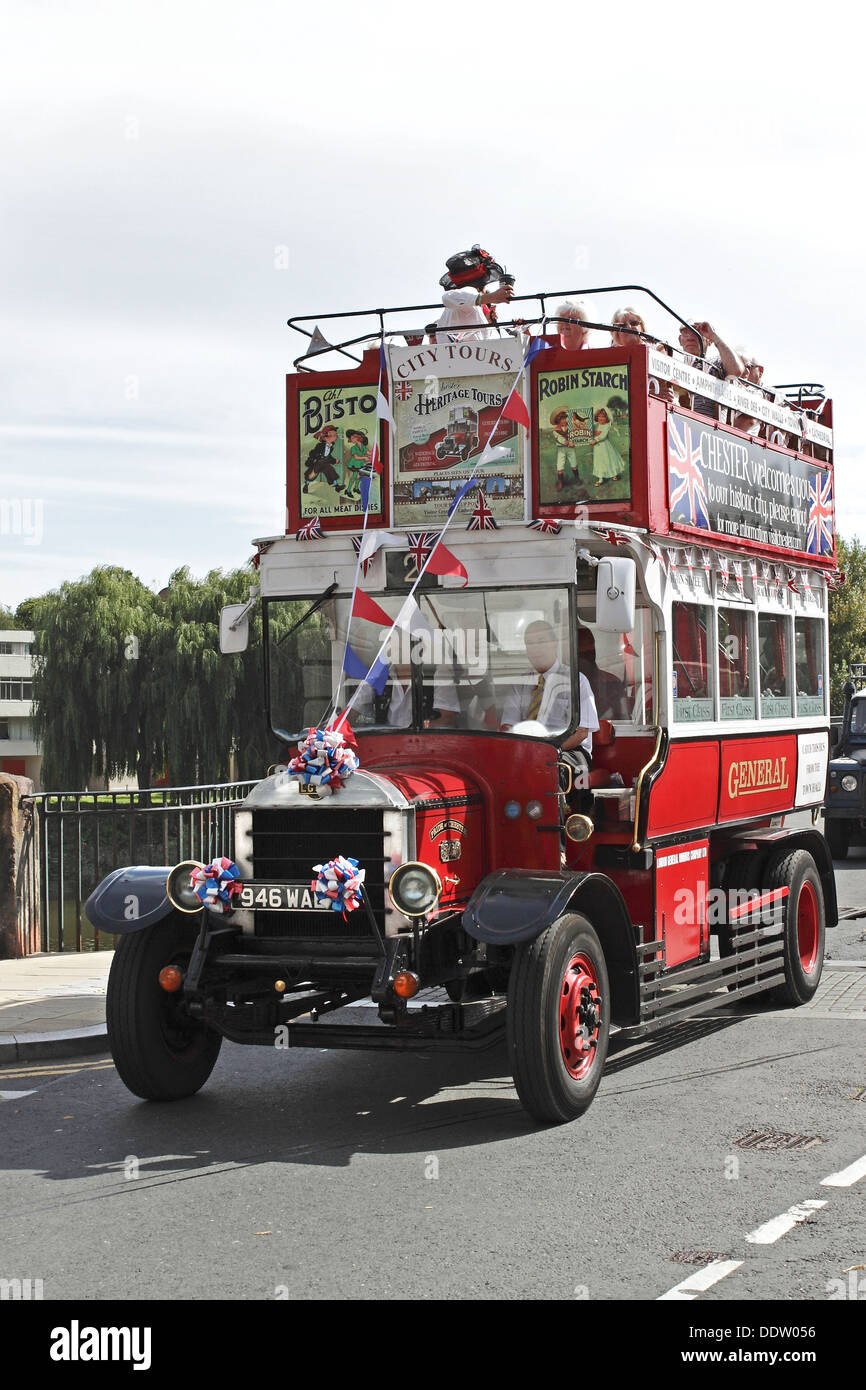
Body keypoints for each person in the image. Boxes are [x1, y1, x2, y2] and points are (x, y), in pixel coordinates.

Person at [500, 620, 599, 755]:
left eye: (541, 641)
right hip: (526, 752)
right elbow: (508, 726)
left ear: (554, 643)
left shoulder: (576, 681)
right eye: (530, 643)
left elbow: (581, 733)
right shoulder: (520, 683)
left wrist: (547, 751)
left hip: (568, 751)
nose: (536, 648)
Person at [434, 244, 515, 343]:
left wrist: (489, 320)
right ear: (482, 282)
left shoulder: (472, 305)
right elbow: (447, 297)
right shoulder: (469, 291)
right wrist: (491, 297)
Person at [353, 662, 459, 728]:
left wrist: (421, 729)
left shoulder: (437, 672)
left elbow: (449, 720)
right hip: (384, 747)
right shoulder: (377, 674)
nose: (399, 649)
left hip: (427, 748)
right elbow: (350, 713)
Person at [677, 321, 744, 420]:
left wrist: (715, 337)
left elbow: (736, 370)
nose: (690, 337)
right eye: (686, 333)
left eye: (697, 332)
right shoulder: (674, 361)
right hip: (677, 424)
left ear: (709, 340)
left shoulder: (717, 363)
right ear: (680, 340)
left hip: (709, 429)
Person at [577, 627, 630, 719]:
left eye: (589, 650)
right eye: (582, 651)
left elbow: (622, 719)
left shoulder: (612, 683)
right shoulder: (561, 683)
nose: (586, 656)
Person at [590, 408, 626, 487]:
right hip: (597, 448)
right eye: (599, 416)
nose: (601, 418)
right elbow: (590, 431)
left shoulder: (606, 426)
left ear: (606, 418)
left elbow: (603, 436)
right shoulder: (596, 425)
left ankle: (613, 474)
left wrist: (596, 440)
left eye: (603, 416)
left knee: (609, 459)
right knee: (599, 461)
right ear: (597, 417)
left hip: (605, 446)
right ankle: (600, 478)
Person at [303, 426, 345, 493]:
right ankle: (306, 486)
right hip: (317, 463)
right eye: (333, 435)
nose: (336, 436)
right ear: (325, 437)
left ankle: (337, 486)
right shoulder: (320, 445)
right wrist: (314, 459)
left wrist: (334, 461)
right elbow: (312, 452)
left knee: (331, 471)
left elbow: (328, 456)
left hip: (324, 463)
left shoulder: (331, 447)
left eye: (336, 435)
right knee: (311, 476)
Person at [342, 430, 372, 498]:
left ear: (358, 437)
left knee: (360, 476)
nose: (351, 440)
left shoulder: (363, 446)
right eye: (351, 438)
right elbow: (356, 457)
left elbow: (368, 452)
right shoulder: (354, 448)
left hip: (361, 463)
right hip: (354, 464)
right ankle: (348, 490)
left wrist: (372, 454)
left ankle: (356, 488)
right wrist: (364, 458)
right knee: (354, 476)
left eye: (353, 438)